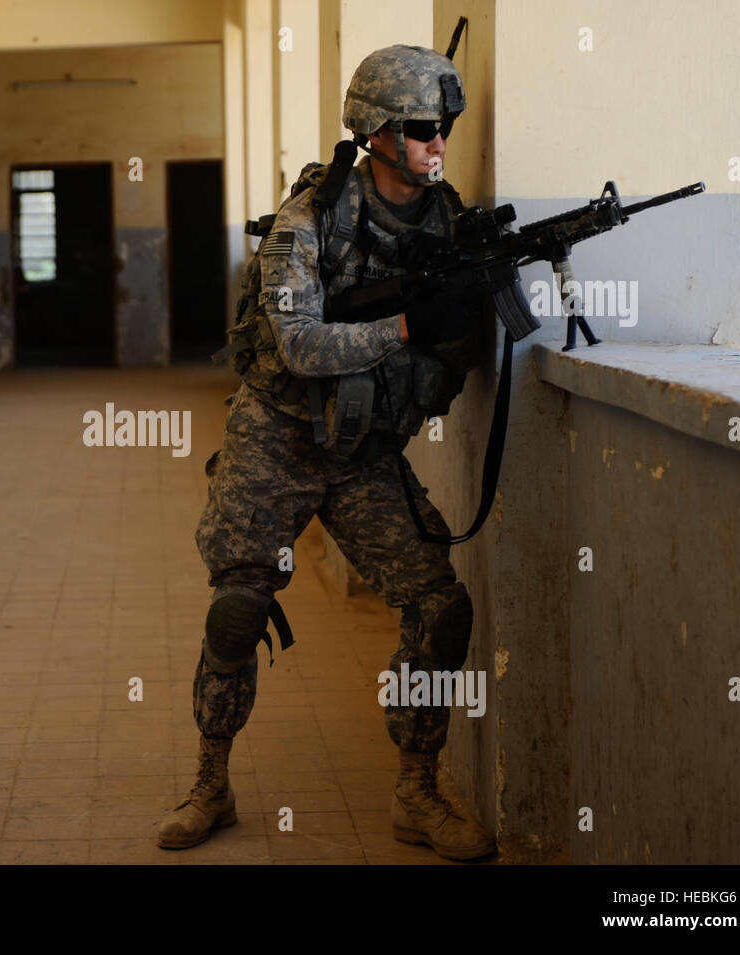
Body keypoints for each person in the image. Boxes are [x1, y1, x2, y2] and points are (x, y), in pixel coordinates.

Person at [156, 45, 495, 860]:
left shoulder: (446, 221)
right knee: (237, 608)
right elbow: (302, 345)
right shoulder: (304, 223)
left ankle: (417, 789)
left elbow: (458, 348)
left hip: (362, 449)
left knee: (441, 608)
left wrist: (460, 321)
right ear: (376, 132)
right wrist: (408, 327)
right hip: (276, 433)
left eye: (443, 126)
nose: (438, 142)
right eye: (420, 128)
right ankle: (212, 781)